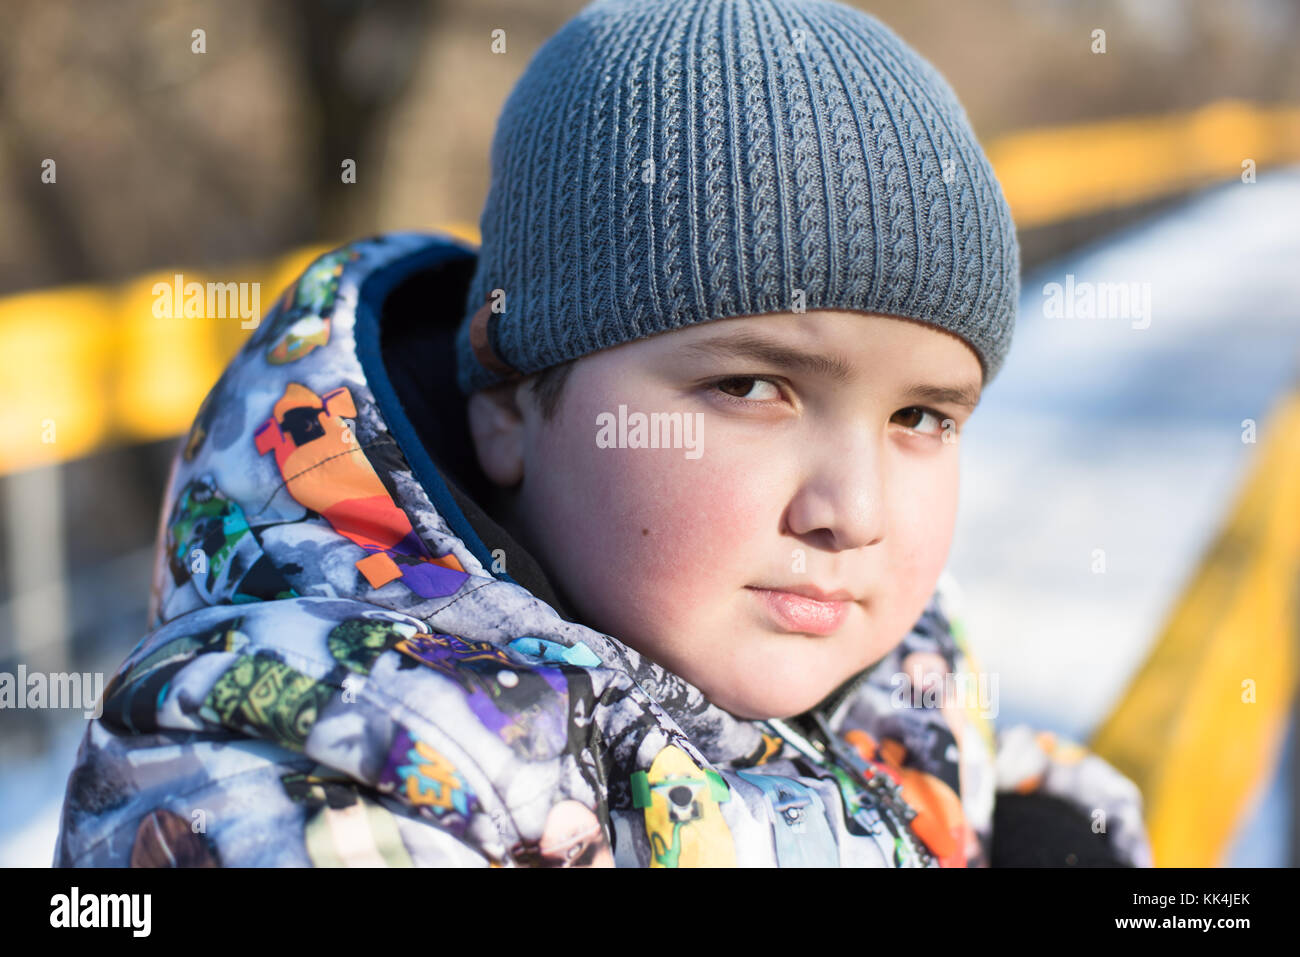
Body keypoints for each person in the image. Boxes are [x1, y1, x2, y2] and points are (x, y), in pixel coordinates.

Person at [55, 0, 1152, 868]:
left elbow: (928, 772)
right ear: (507, 402)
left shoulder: (868, 662)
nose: (852, 512)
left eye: (921, 415)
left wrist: (1052, 825)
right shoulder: (314, 759)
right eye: (752, 389)